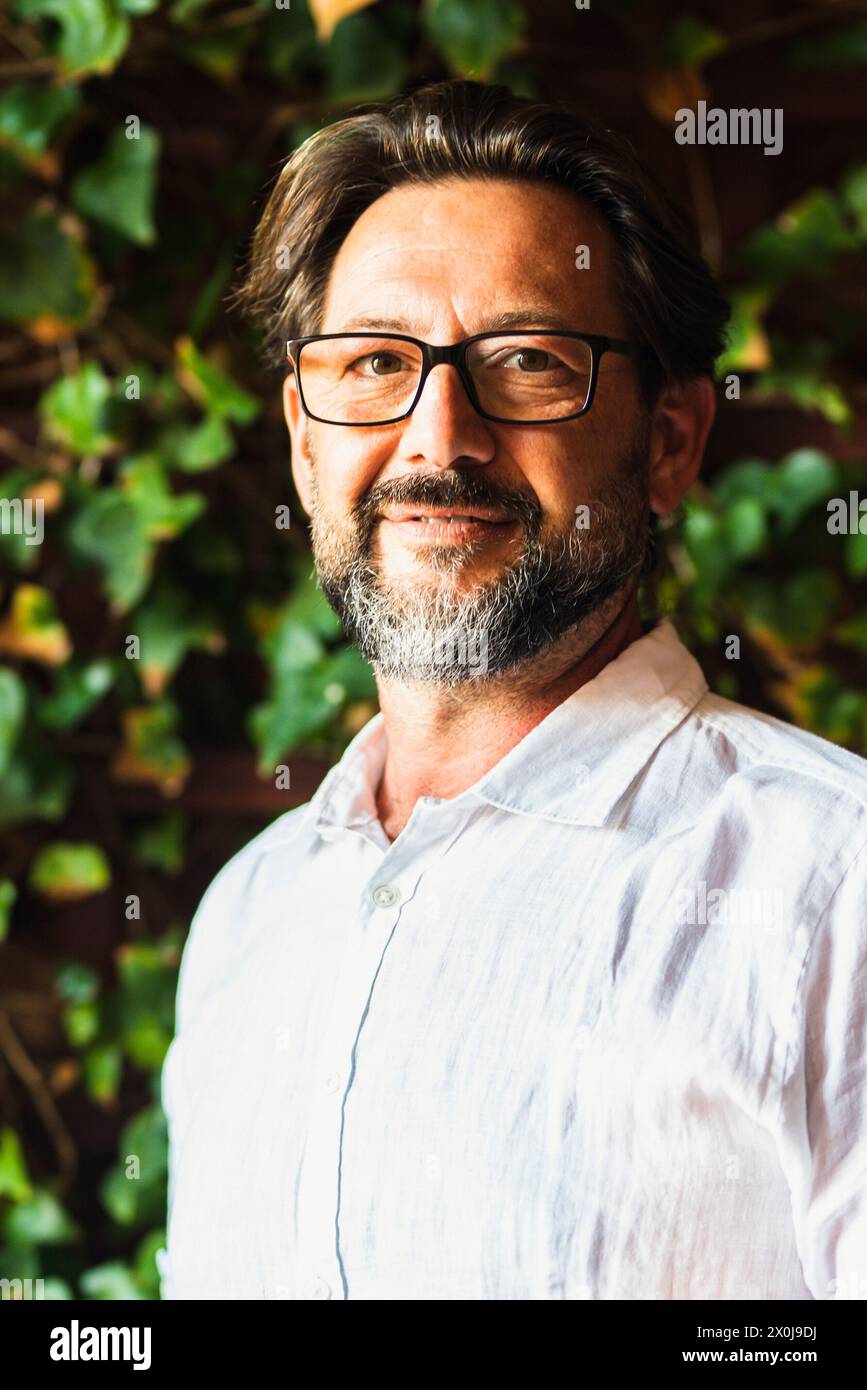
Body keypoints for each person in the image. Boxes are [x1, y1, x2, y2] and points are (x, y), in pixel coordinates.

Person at [158, 80, 867, 1301]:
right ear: (302, 439)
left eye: (528, 362)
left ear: (668, 444)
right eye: (376, 363)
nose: (440, 437)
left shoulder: (834, 889)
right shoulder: (246, 917)